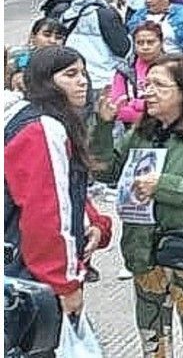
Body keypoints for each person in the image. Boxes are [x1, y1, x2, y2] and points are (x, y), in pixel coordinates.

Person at [95, 53, 183, 357]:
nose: (148, 91)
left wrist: (164, 186)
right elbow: (106, 170)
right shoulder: (142, 131)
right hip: (143, 251)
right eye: (147, 84)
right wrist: (103, 127)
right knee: (153, 340)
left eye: (159, 85)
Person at [4, 47, 113, 333]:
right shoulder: (43, 128)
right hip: (29, 276)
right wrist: (63, 284)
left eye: (83, 73)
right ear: (46, 82)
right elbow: (46, 212)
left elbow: (66, 190)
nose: (83, 81)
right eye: (70, 74)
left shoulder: (39, 120)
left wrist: (93, 222)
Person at [62, 0, 131, 99]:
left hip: (78, 78)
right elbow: (122, 48)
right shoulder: (105, 14)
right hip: (104, 79)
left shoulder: (68, 13)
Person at [111, 21, 165, 128]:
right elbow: (119, 110)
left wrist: (136, 104)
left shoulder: (174, 68)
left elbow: (173, 108)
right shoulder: (124, 71)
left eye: (150, 42)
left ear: (161, 42)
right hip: (133, 131)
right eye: (140, 43)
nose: (145, 47)